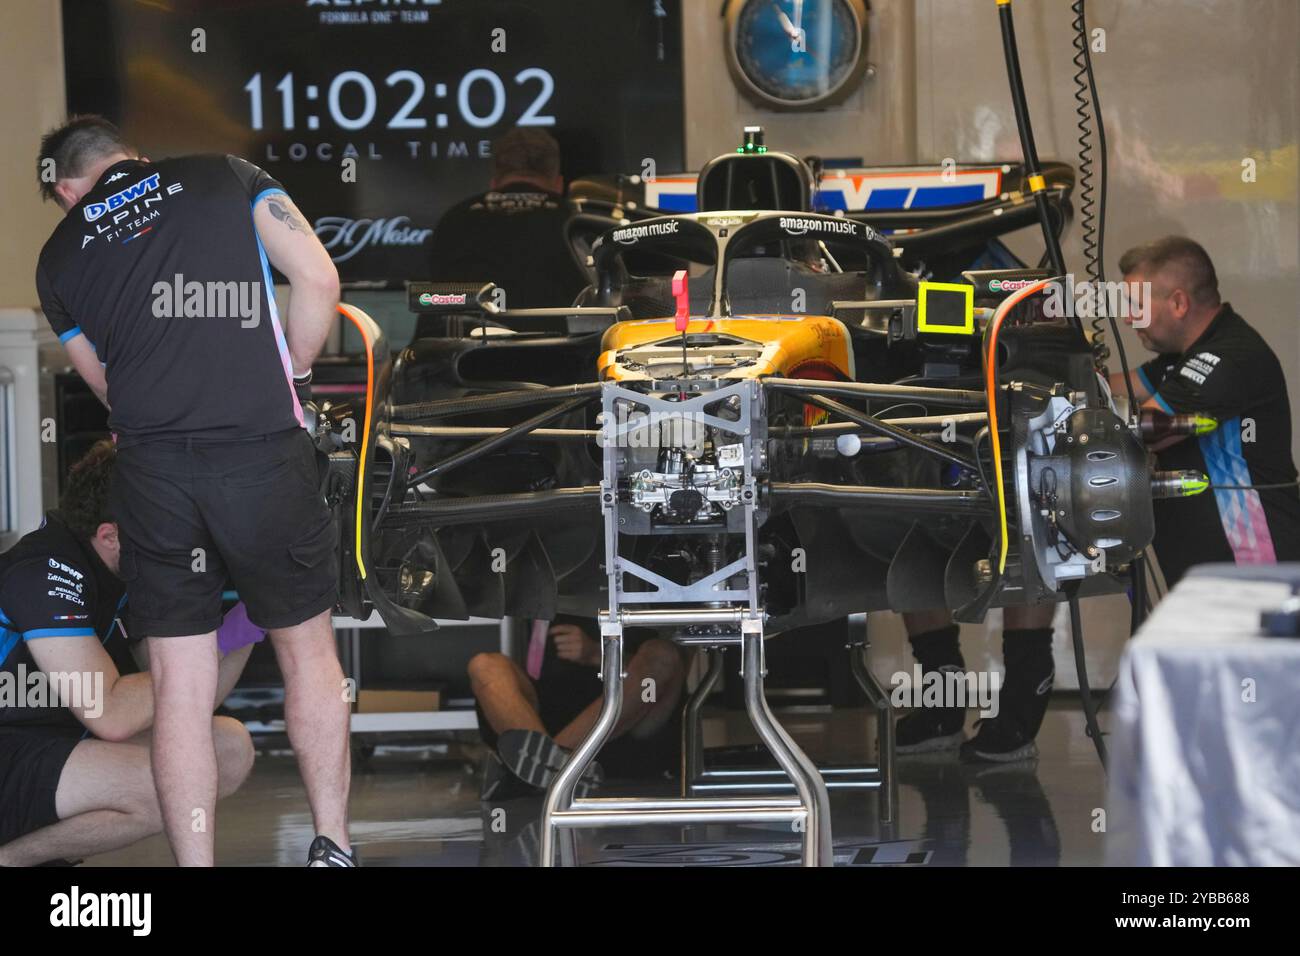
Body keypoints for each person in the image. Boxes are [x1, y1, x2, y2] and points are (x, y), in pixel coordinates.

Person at [35, 116, 354, 866]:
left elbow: (110, 391)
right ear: (134, 157)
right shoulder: (223, 174)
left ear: (67, 189)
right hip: (259, 452)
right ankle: (333, 847)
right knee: (307, 651)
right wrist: (296, 373)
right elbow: (319, 280)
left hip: (152, 472)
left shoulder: (57, 259)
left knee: (179, 682)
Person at [0, 443, 258, 866]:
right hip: (10, 750)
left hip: (47, 743)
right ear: (110, 535)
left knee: (228, 748)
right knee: (174, 787)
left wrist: (252, 619)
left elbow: (180, 705)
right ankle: (12, 860)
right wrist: (219, 639)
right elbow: (114, 713)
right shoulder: (46, 572)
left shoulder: (125, 573)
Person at [1110, 235, 1300, 587]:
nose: (1127, 318)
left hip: (1250, 564)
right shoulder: (1188, 356)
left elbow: (1141, 433)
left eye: (1136, 304)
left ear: (1178, 303)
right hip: (1212, 566)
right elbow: (1112, 387)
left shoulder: (1228, 358)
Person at [468, 617, 686, 799]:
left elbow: (664, 664)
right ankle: (553, 767)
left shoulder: (639, 580)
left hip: (622, 721)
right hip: (539, 724)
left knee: (661, 654)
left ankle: (550, 767)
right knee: (484, 665)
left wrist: (596, 654)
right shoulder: (540, 577)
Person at [427, 128, 589, 309]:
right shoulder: (580, 223)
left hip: (465, 334)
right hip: (567, 335)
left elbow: (429, 301)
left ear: (494, 183)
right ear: (559, 185)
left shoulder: (453, 221)